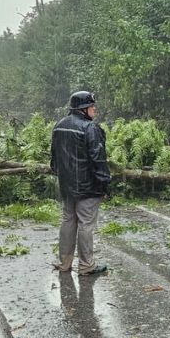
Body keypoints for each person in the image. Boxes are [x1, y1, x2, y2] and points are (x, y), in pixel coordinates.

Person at [50, 90, 111, 275]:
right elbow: (98, 160)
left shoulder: (59, 126)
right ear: (84, 109)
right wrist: (105, 185)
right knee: (86, 225)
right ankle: (86, 266)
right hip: (88, 187)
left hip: (67, 186)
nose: (94, 110)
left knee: (68, 221)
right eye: (92, 107)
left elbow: (54, 159)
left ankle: (64, 263)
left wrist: (62, 176)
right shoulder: (90, 128)